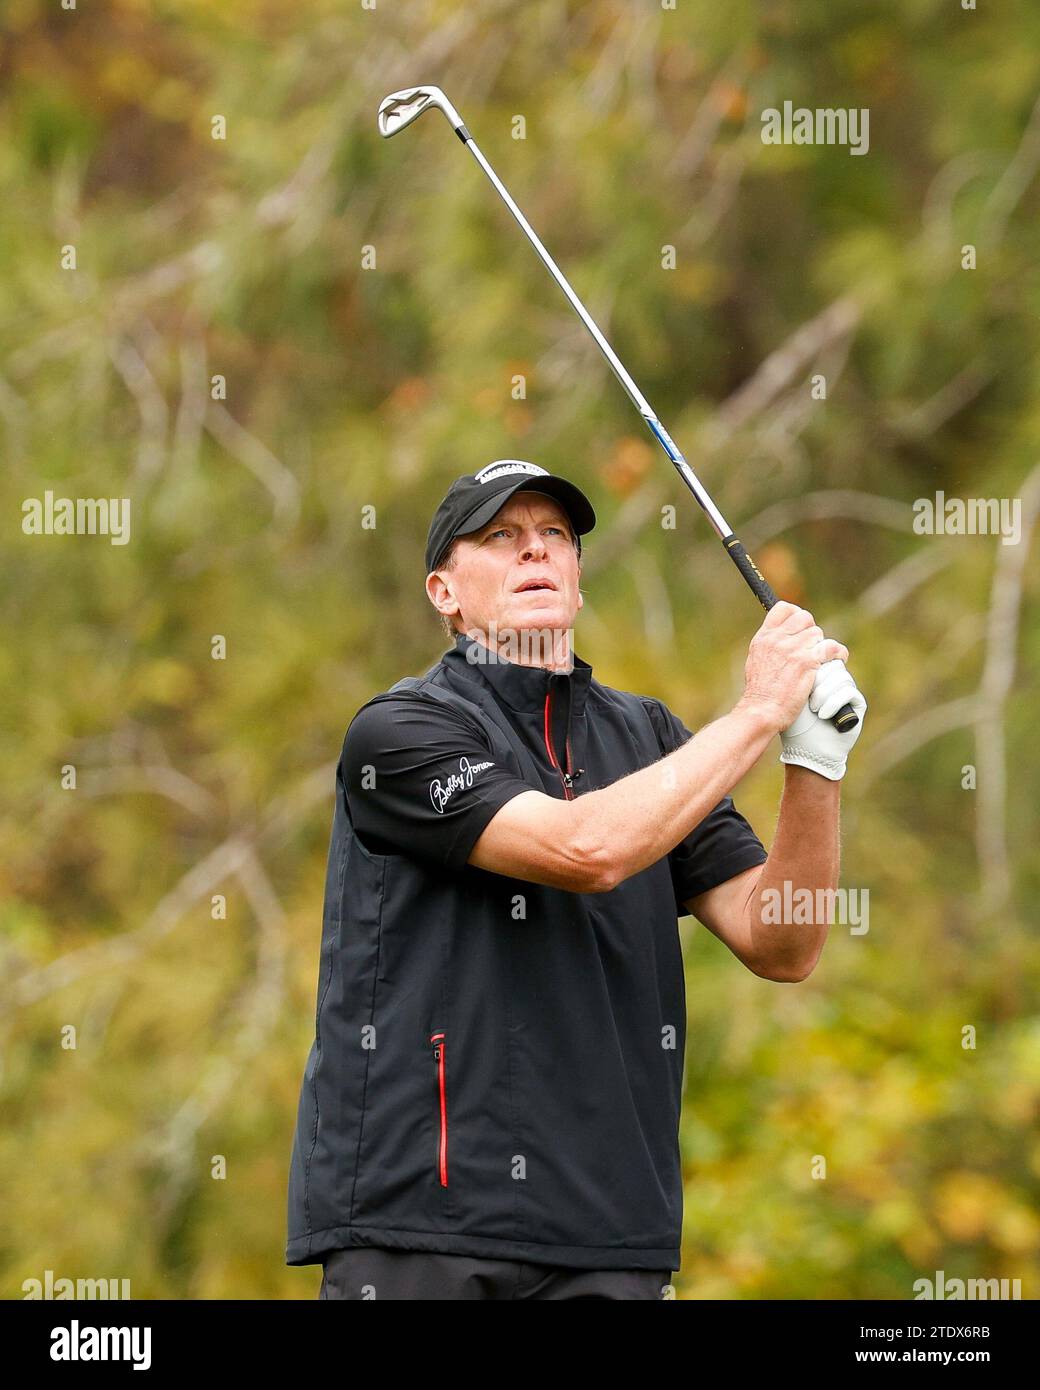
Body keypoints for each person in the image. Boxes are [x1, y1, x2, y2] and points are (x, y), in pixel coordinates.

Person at [285, 458, 867, 1300]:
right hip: (421, 1225)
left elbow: (782, 941)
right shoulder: (399, 733)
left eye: (556, 535)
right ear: (442, 591)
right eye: (502, 537)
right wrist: (756, 713)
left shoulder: (651, 739)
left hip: (610, 1232)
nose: (537, 553)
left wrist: (814, 759)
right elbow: (583, 850)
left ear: (579, 580)